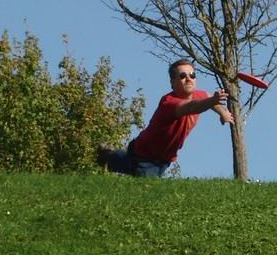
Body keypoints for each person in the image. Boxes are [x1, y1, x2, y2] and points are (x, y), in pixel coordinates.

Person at [98, 59, 234, 177]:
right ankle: (111, 156)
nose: (188, 79)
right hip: (145, 154)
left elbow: (207, 96)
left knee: (130, 167)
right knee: (148, 187)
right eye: (182, 76)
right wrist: (212, 101)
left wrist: (223, 113)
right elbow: (192, 107)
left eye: (192, 75)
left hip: (165, 157)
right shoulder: (169, 103)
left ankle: (109, 155)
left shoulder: (199, 95)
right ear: (172, 82)